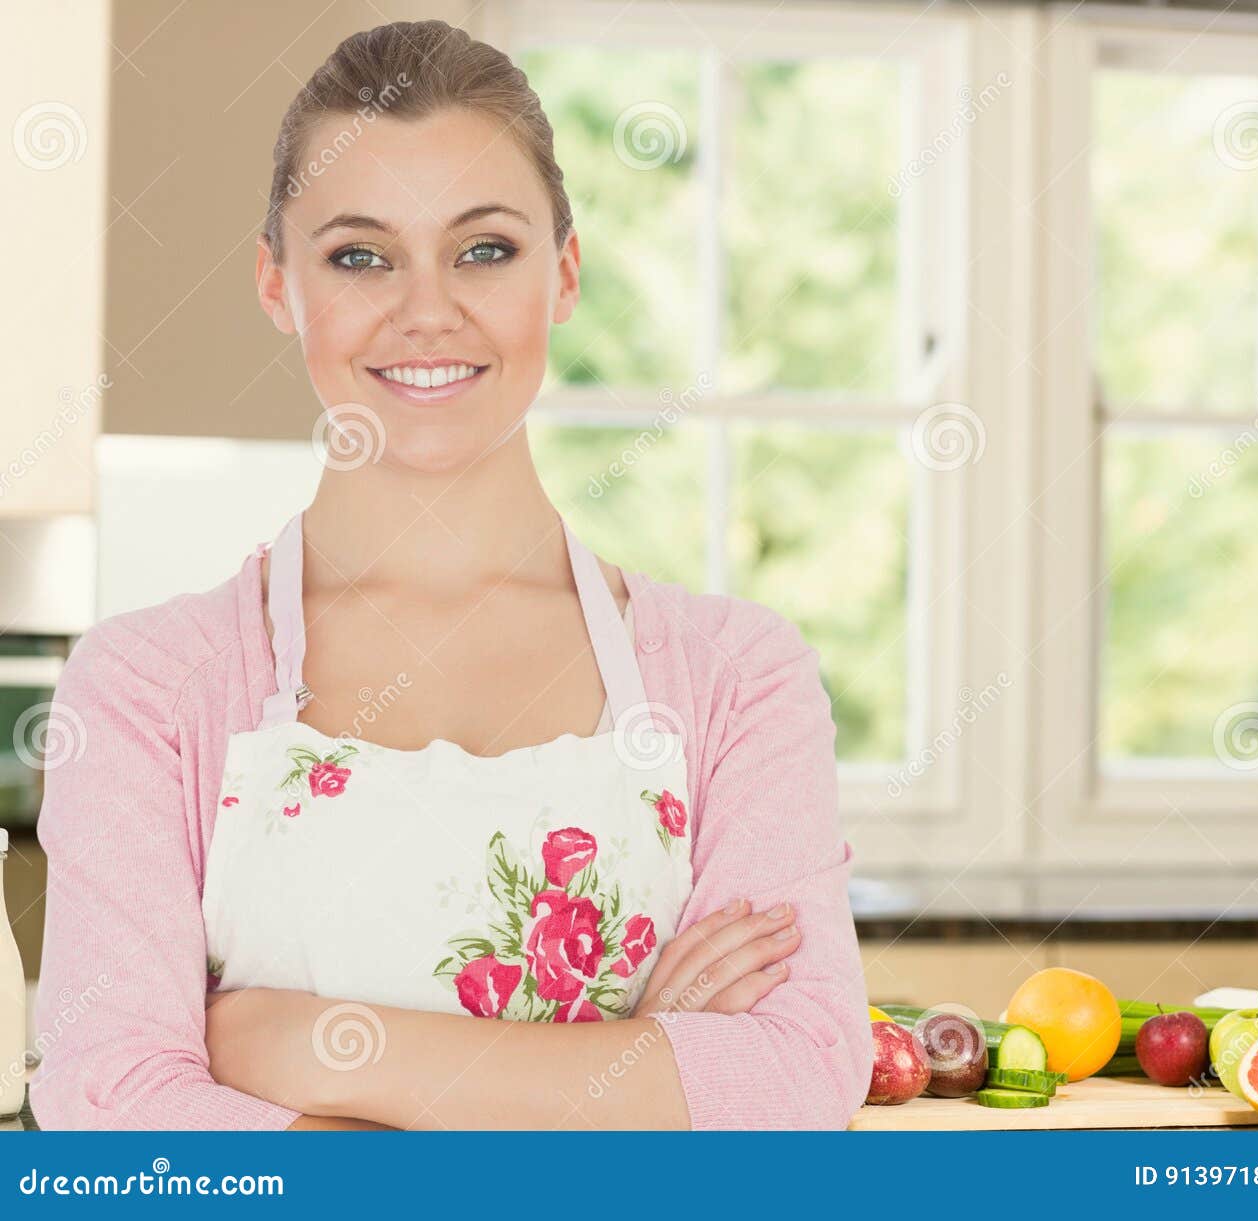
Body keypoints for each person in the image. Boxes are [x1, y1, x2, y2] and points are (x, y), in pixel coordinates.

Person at [29, 19, 872, 1131]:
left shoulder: (736, 677)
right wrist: (625, 1073)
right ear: (278, 286)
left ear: (562, 275)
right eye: (359, 256)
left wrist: (286, 1046)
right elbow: (110, 1098)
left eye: (483, 249)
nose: (427, 311)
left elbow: (797, 1070)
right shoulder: (144, 691)